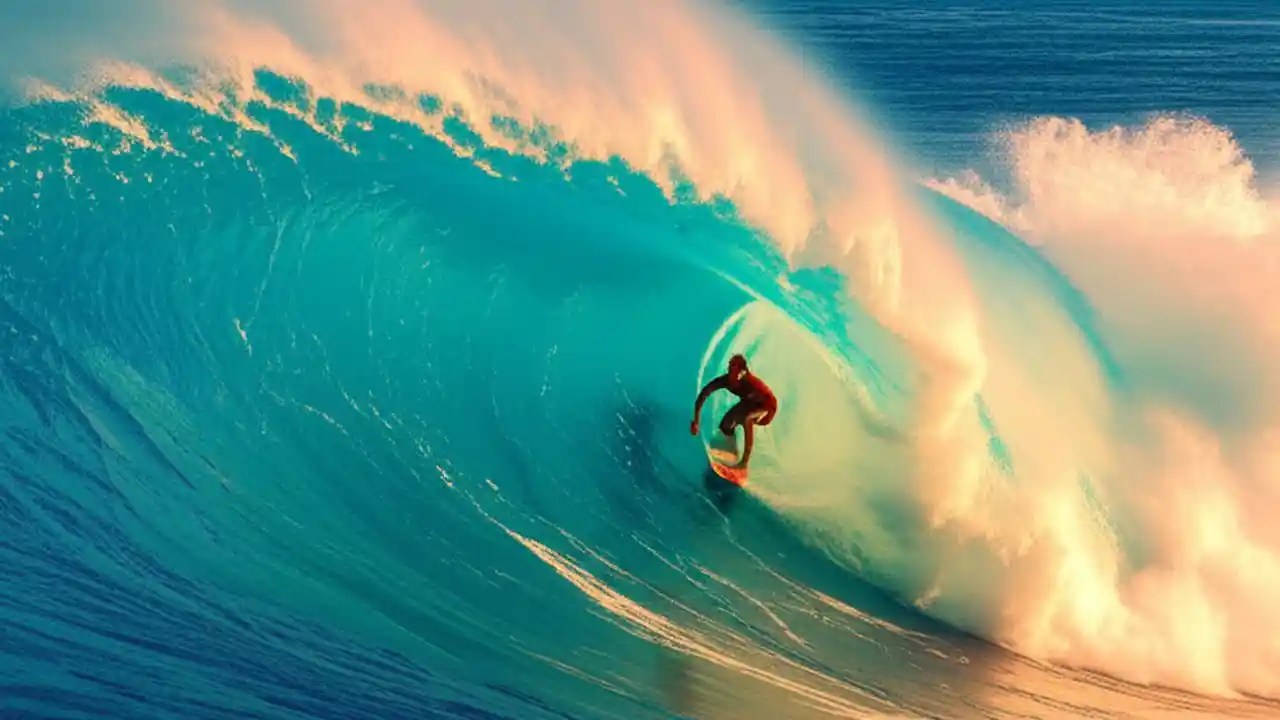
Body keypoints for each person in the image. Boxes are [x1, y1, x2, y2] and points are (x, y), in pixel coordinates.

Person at [690, 354, 777, 468]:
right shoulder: (725, 381)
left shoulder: (750, 383)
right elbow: (703, 394)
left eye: (735, 368)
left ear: (742, 371)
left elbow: (769, 401)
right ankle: (731, 453)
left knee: (747, 419)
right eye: (730, 367)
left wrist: (754, 412)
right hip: (749, 404)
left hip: (767, 408)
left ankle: (744, 463)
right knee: (726, 426)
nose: (732, 373)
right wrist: (696, 421)